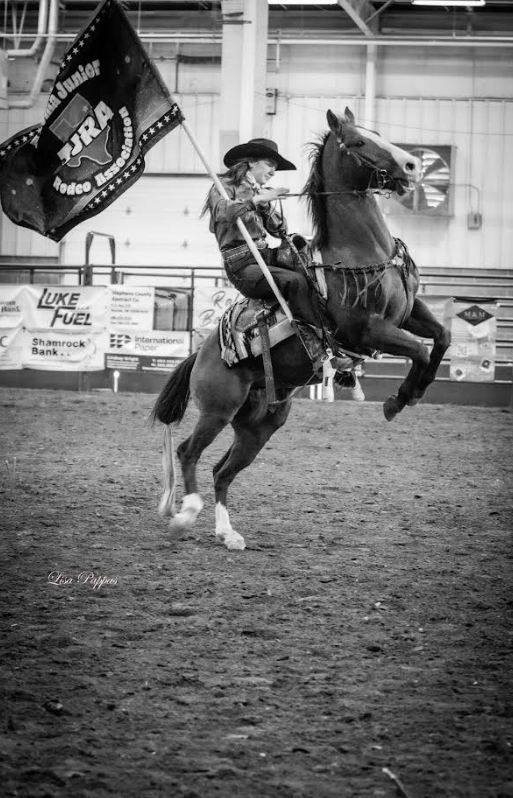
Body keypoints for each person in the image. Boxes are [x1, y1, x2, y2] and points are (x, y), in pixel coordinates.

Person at [202, 137, 328, 372]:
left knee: (313, 271)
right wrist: (256, 200)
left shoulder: (258, 191)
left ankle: (328, 333)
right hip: (241, 265)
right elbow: (222, 214)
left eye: (274, 167)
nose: (273, 171)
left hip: (263, 256)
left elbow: (277, 229)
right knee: (294, 282)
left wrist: (267, 205)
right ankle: (315, 344)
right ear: (251, 162)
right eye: (269, 164)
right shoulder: (222, 185)